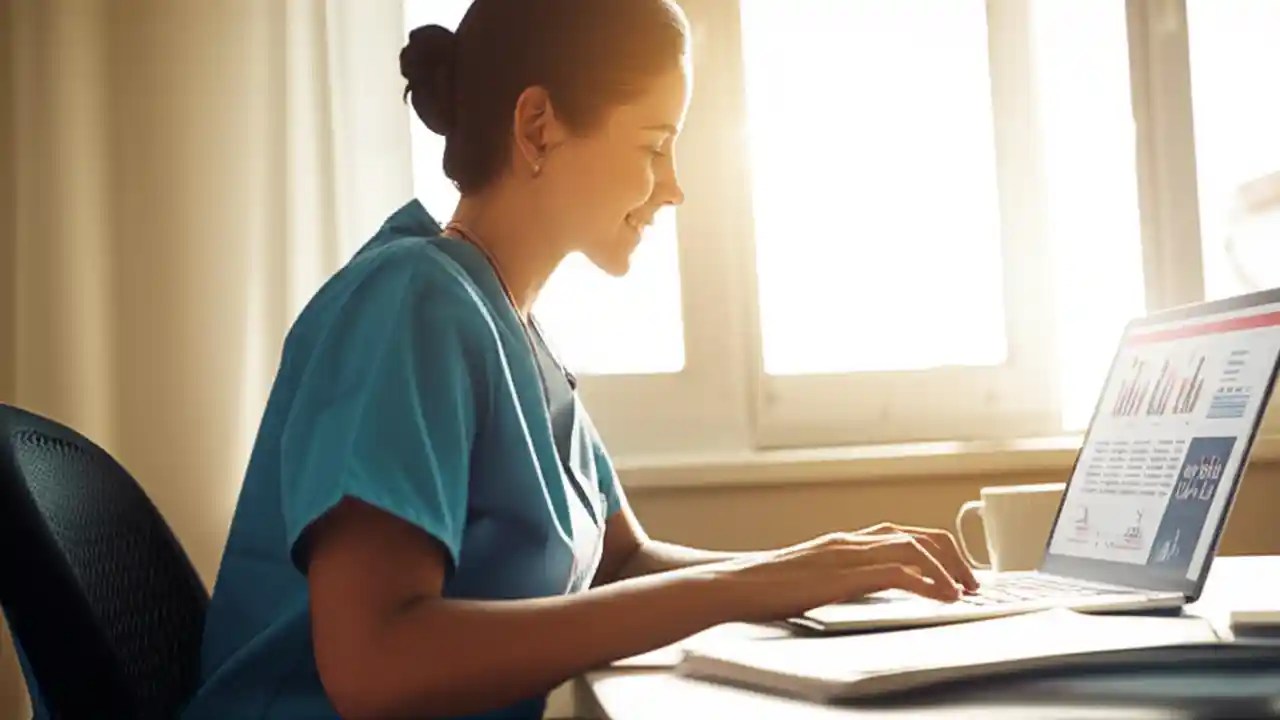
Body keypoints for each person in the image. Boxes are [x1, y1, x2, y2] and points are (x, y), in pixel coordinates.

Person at [183, 1, 979, 718]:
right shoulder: (410, 302)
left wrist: (820, 568)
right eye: (655, 146)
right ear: (537, 128)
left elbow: (621, 561)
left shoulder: (508, 323)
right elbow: (375, 666)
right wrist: (754, 587)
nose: (673, 189)